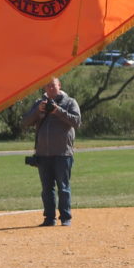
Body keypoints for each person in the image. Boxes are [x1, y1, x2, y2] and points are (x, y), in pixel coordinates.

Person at [23, 77, 81, 227]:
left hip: (63, 153)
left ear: (59, 85)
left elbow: (77, 122)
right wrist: (38, 111)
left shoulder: (70, 102)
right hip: (43, 154)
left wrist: (58, 111)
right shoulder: (39, 103)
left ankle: (66, 217)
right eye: (47, 86)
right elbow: (24, 123)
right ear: (44, 88)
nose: (50, 88)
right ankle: (49, 218)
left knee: (63, 187)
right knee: (46, 189)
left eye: (53, 85)